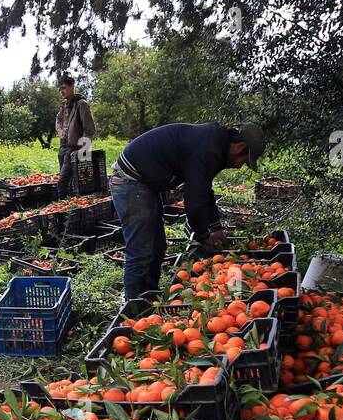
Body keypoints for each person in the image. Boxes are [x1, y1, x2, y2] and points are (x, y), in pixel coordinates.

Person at [110, 121, 266, 300]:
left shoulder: (214, 145)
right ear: (240, 146)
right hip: (130, 180)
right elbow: (194, 200)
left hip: (145, 183)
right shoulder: (208, 148)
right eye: (243, 160)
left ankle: (149, 298)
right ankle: (133, 308)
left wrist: (216, 227)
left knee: (157, 246)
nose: (239, 166)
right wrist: (204, 236)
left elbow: (204, 190)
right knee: (141, 249)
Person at [55, 74, 95, 198]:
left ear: (72, 87)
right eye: (60, 89)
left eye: (64, 88)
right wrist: (59, 130)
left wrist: (81, 150)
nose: (62, 91)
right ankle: (71, 206)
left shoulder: (81, 104)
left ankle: (63, 213)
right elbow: (58, 120)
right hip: (63, 147)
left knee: (62, 183)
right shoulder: (64, 105)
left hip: (74, 148)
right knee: (69, 182)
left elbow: (90, 130)